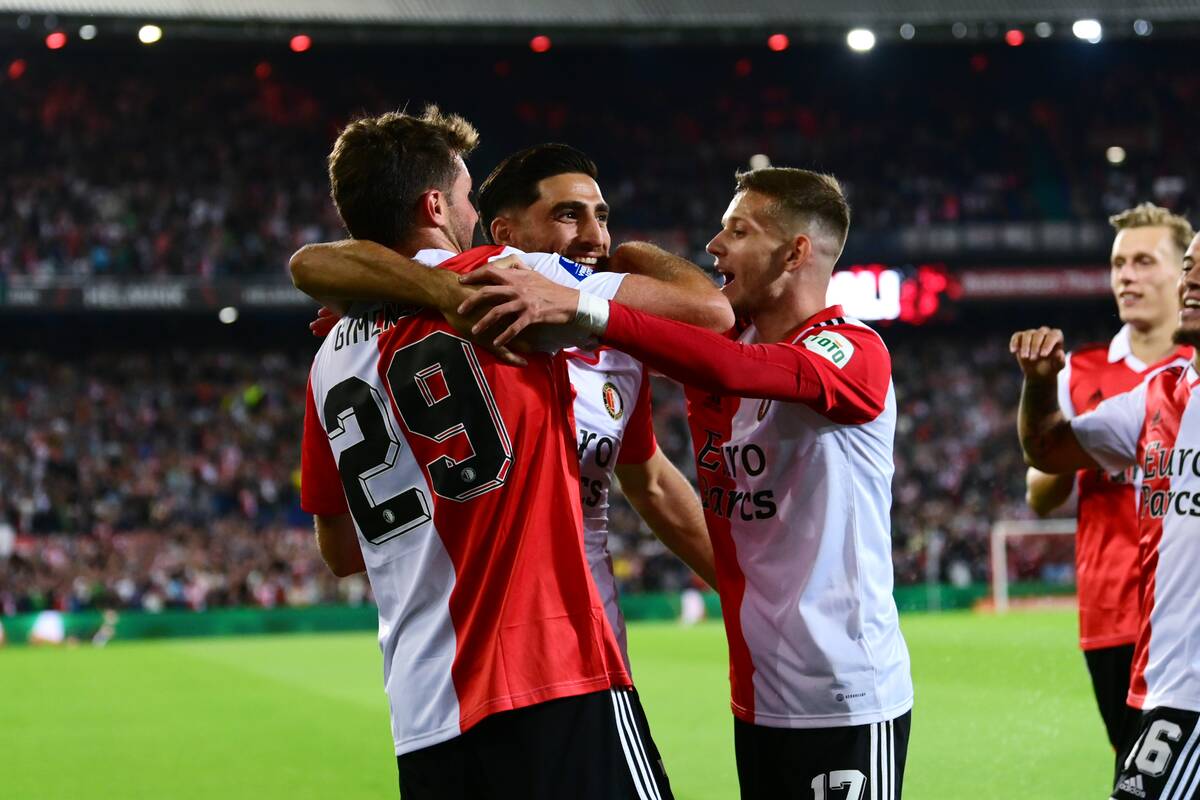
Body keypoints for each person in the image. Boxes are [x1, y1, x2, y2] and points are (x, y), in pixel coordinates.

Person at [459, 167, 913, 798]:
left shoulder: (855, 351)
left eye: (738, 230)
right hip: (759, 690)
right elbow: (676, 314)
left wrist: (588, 304)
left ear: (795, 253)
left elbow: (734, 368)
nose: (713, 246)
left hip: (842, 691)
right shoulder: (724, 341)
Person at [299, 107, 675, 799]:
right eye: (470, 196)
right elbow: (701, 311)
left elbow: (342, 551)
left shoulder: (329, 359)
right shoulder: (501, 276)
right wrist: (627, 260)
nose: (474, 211)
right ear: (436, 204)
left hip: (425, 715)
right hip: (549, 669)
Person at [1011, 229, 1200, 800]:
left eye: (1148, 261)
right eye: (1190, 266)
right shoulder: (1159, 394)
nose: (1191, 280)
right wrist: (1041, 387)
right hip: (1153, 656)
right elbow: (1045, 450)